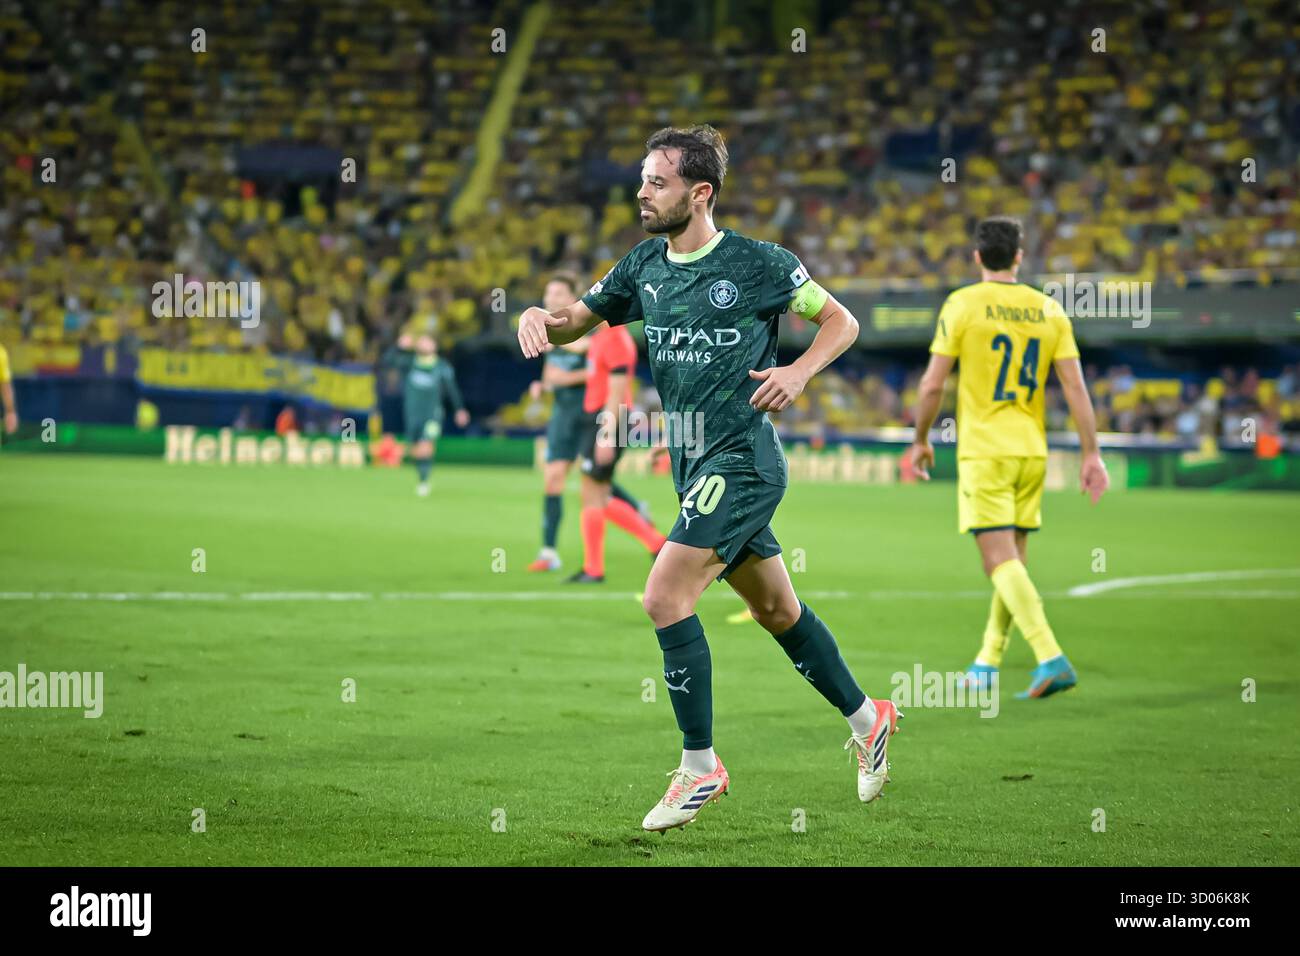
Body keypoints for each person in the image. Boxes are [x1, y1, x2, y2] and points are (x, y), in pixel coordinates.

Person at [517, 125, 898, 833]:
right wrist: (543, 315)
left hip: (744, 463)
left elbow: (840, 322)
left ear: (699, 193)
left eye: (655, 181)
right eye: (641, 178)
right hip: (695, 469)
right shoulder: (643, 266)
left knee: (664, 595)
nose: (640, 190)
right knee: (777, 612)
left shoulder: (760, 264)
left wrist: (797, 370)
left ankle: (700, 769)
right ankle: (869, 719)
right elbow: (576, 322)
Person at [907, 215, 1109, 699]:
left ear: (977, 257)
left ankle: (1050, 655)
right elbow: (1075, 386)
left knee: (997, 560)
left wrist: (920, 438)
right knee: (1012, 558)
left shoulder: (962, 305)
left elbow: (934, 382)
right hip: (1031, 450)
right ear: (1019, 257)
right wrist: (1091, 452)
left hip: (986, 451)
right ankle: (988, 661)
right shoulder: (1048, 310)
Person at [526, 272, 656, 573]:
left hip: (600, 418)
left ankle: (650, 540)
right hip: (583, 416)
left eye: (559, 293)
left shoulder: (601, 336)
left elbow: (614, 384)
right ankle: (575, 560)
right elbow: (564, 368)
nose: (551, 299)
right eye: (549, 293)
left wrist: (608, 431)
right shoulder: (599, 339)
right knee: (586, 488)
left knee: (595, 491)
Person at [389, 334, 469, 497]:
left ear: (434, 345)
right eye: (422, 341)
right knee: (415, 449)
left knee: (426, 444)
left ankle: (424, 481)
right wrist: (399, 347)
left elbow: (452, 389)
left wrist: (459, 409)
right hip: (412, 414)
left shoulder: (441, 366)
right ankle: (421, 476)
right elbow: (387, 362)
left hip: (432, 414)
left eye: (428, 341)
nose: (424, 343)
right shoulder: (410, 362)